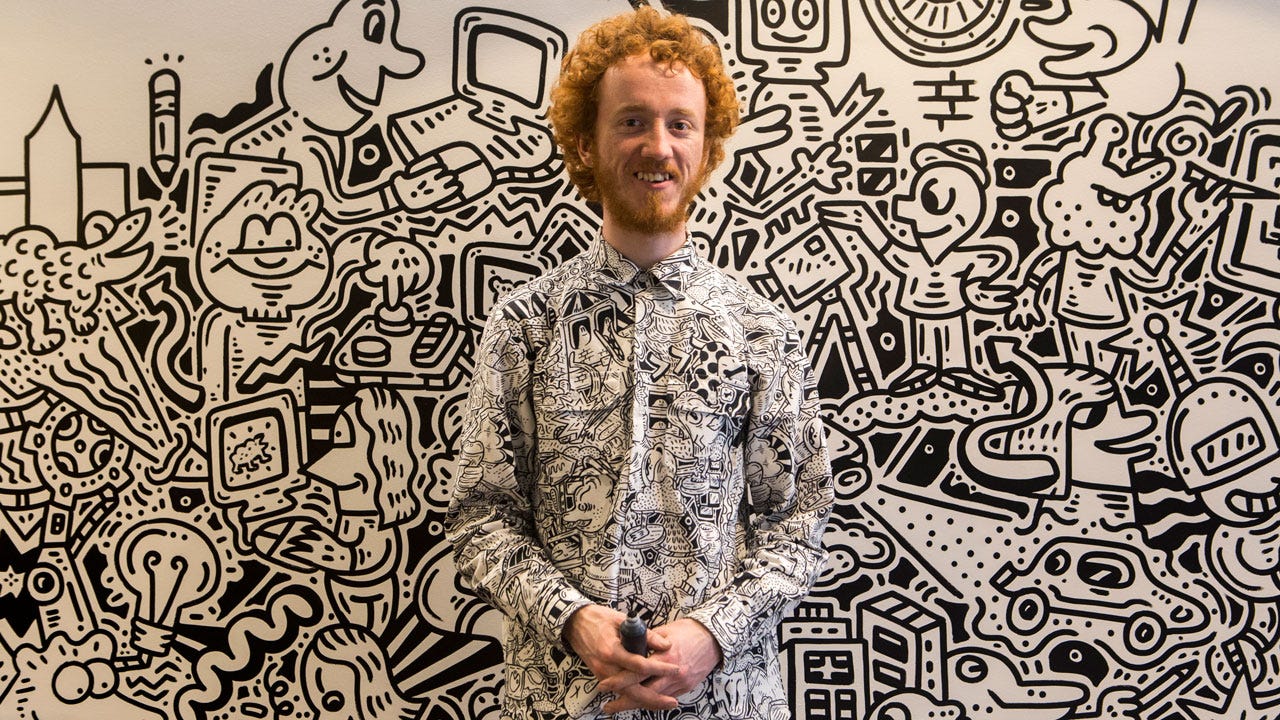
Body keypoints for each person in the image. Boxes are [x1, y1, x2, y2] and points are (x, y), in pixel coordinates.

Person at [445, 7, 833, 719]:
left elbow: (798, 522)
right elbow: (479, 517)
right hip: (562, 702)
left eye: (680, 124)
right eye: (632, 121)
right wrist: (572, 620)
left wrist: (711, 635)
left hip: (726, 702)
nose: (658, 146)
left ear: (705, 147)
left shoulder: (762, 330)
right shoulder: (524, 324)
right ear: (585, 143)